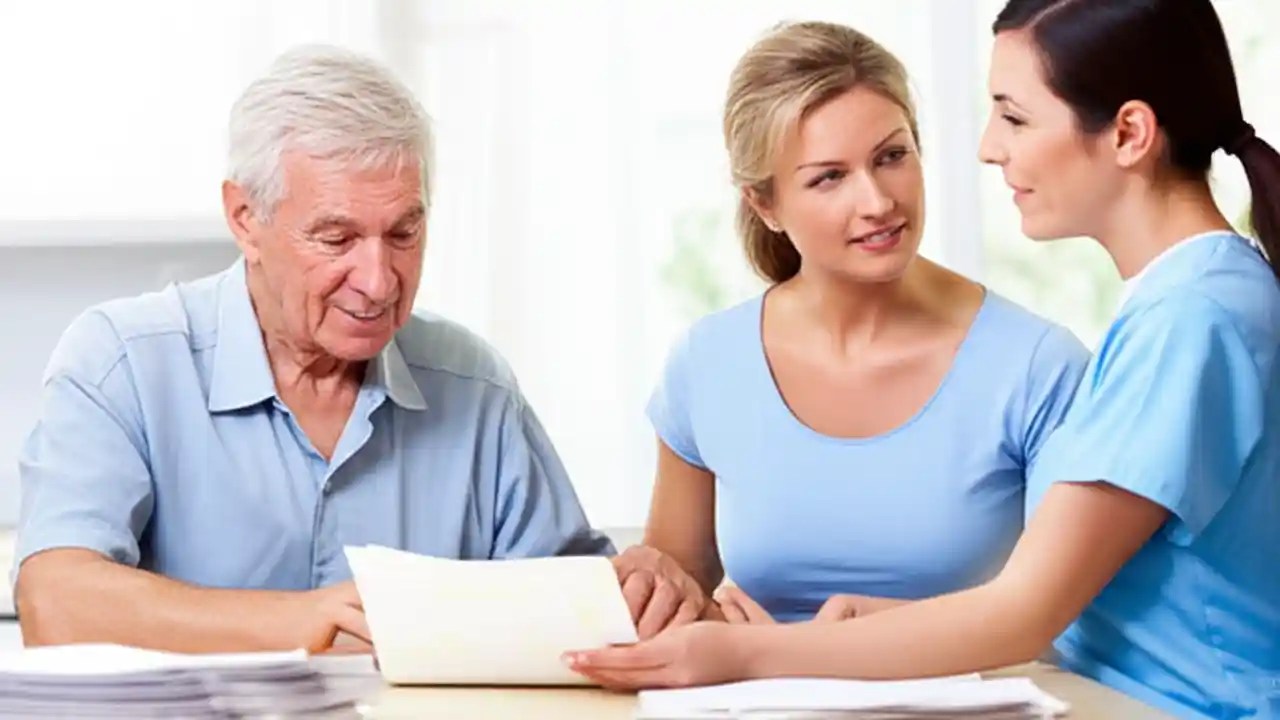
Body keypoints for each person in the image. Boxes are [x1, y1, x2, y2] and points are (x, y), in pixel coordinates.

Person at [567, 2, 1280, 718]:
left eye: (1014, 116)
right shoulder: (1182, 304)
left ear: (1128, 133)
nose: (987, 147)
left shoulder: (1193, 318)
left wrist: (751, 654)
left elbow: (1026, 612)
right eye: (827, 177)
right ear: (763, 203)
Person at [12, 45, 615, 654]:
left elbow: (580, 615)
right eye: (337, 238)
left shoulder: (474, 387)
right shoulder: (124, 364)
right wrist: (319, 622)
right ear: (245, 218)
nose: (379, 281)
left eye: (404, 233)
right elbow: (58, 604)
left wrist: (643, 589)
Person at [611, 19, 1089, 637]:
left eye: (892, 157)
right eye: (829, 177)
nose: (877, 201)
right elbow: (679, 586)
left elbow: (1067, 618)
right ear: (765, 203)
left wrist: (797, 650)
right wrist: (654, 585)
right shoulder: (708, 366)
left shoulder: (1036, 367)